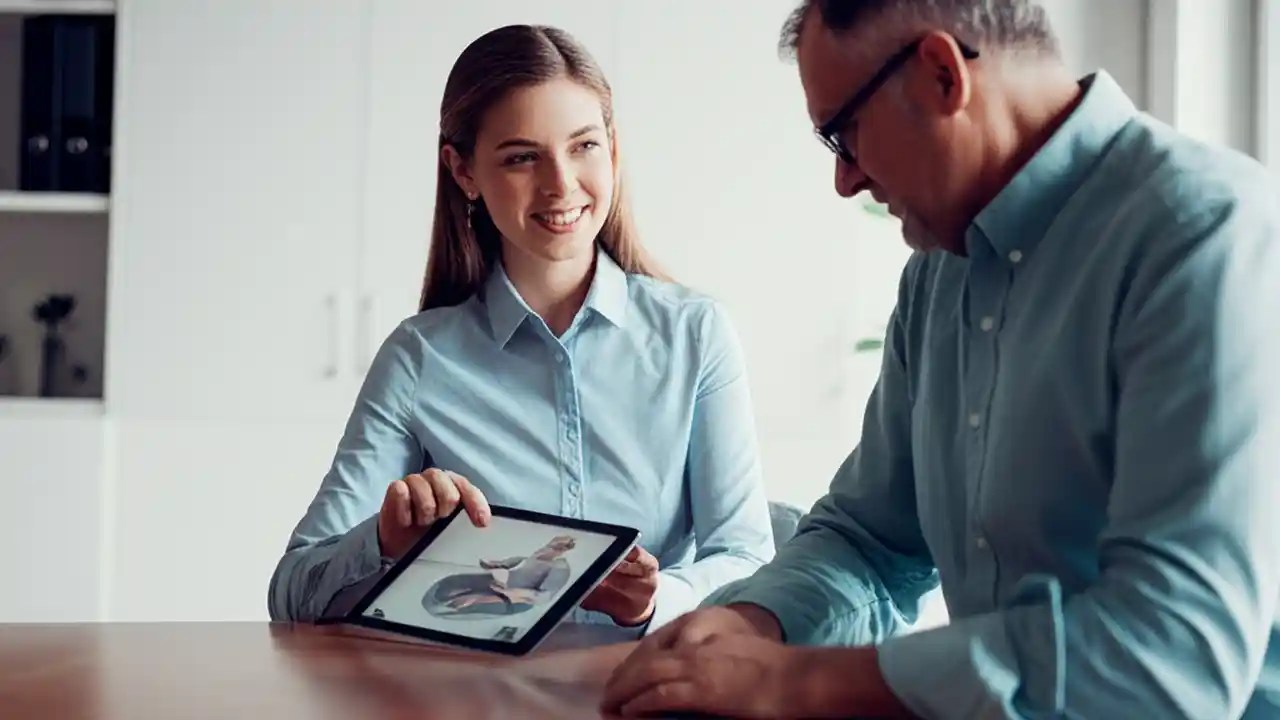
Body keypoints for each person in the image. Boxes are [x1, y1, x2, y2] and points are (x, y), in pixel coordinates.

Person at [602, 1, 1280, 717]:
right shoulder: (938, 273)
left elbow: (1170, 655)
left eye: (844, 135)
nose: (847, 181)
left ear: (940, 74)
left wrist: (791, 681)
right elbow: (871, 539)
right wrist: (750, 625)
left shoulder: (1205, 237)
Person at [268, 24, 774, 632]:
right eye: (521, 157)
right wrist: (383, 541)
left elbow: (746, 559)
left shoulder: (696, 335)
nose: (560, 183)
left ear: (612, 150)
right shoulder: (419, 358)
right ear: (464, 173)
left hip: (641, 691)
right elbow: (292, 591)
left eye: (583, 146)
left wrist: (655, 597)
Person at [424, 535, 577, 617]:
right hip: (502, 584)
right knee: (454, 585)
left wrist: (509, 593)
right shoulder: (540, 556)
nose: (547, 548)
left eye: (554, 546)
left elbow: (543, 597)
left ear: (562, 550)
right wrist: (498, 564)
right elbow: (521, 562)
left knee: (466, 603)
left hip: (515, 600)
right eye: (550, 544)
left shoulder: (560, 568)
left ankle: (454, 606)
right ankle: (442, 597)